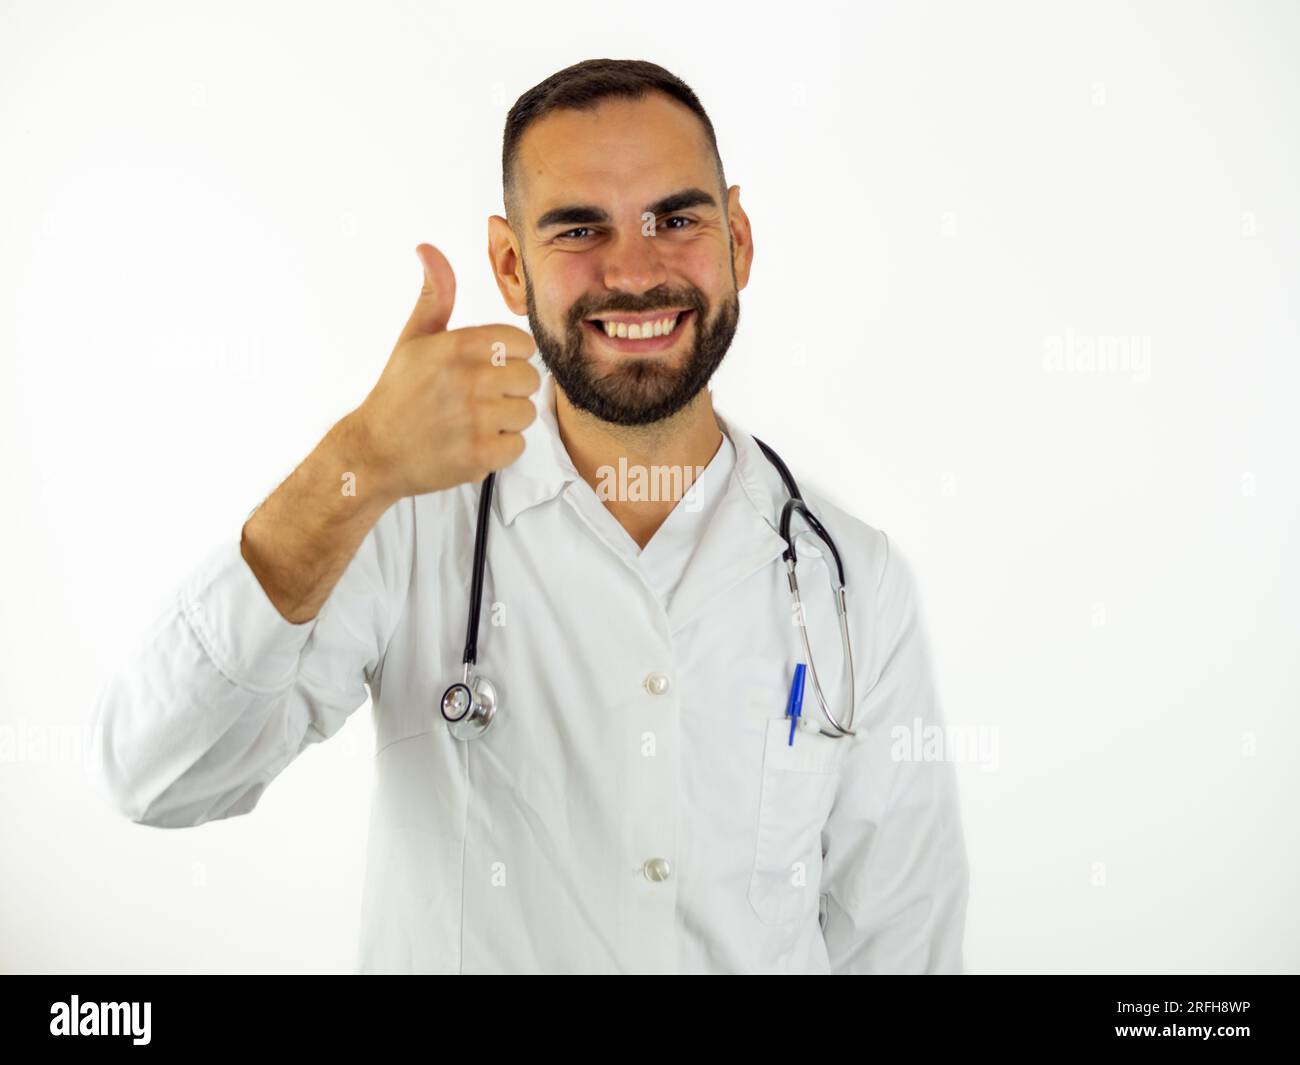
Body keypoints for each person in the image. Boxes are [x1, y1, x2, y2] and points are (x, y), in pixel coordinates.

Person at [90, 58, 970, 974]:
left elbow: (900, 938)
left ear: (738, 238)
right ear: (510, 266)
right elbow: (157, 776)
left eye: (676, 218)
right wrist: (354, 461)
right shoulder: (405, 520)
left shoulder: (850, 578)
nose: (634, 271)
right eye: (580, 228)